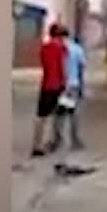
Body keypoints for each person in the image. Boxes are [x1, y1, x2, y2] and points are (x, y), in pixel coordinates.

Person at [31, 22, 68, 158]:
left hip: (45, 85)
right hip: (57, 86)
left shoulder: (44, 48)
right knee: (58, 115)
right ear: (59, 36)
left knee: (41, 116)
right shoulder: (61, 48)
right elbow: (62, 67)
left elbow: (45, 65)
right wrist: (64, 83)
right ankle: (54, 141)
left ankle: (37, 145)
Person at [54, 27, 88, 151]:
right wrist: (82, 87)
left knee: (59, 114)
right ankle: (74, 140)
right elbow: (81, 68)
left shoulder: (56, 48)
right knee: (73, 114)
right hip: (72, 85)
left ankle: (57, 140)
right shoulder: (77, 49)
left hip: (59, 86)